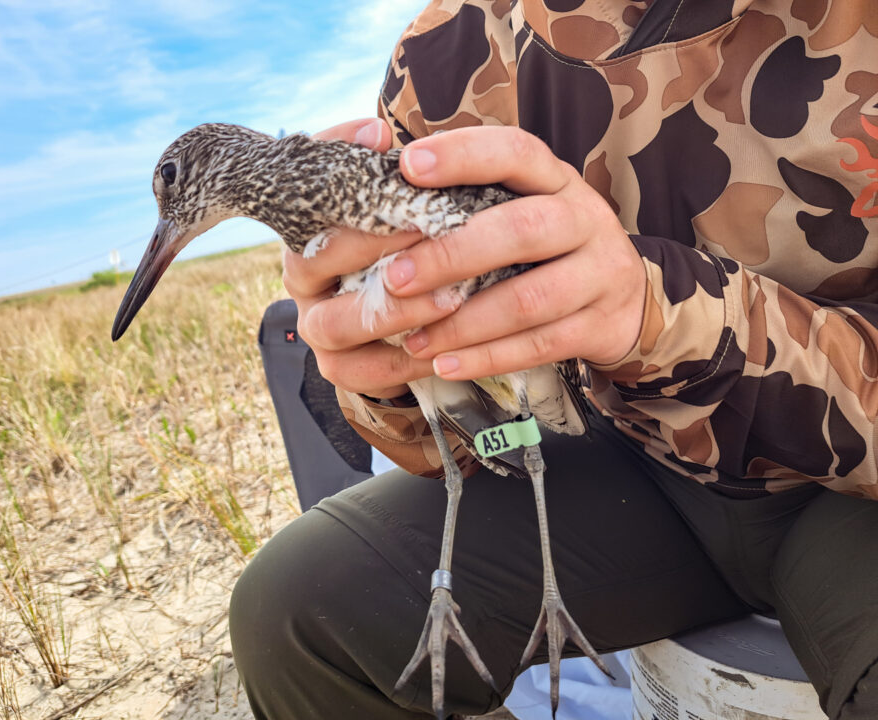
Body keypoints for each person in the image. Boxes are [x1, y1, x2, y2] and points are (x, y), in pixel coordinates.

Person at [230, 2, 878, 718]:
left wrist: (658, 313)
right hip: (629, 458)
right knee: (304, 615)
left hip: (850, 491)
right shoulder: (450, 48)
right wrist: (383, 375)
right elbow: (445, 430)